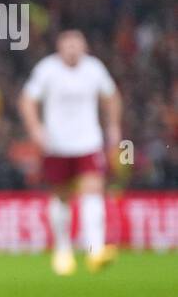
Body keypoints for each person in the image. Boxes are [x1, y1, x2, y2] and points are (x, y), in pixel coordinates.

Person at [18, 30, 121, 274]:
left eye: (77, 45)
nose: (73, 49)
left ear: (84, 47)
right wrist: (35, 128)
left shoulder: (94, 68)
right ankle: (62, 249)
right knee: (61, 196)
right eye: (68, 45)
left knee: (93, 191)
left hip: (88, 142)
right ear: (59, 47)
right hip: (57, 144)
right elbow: (26, 99)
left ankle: (94, 250)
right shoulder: (47, 69)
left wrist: (114, 126)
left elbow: (112, 97)